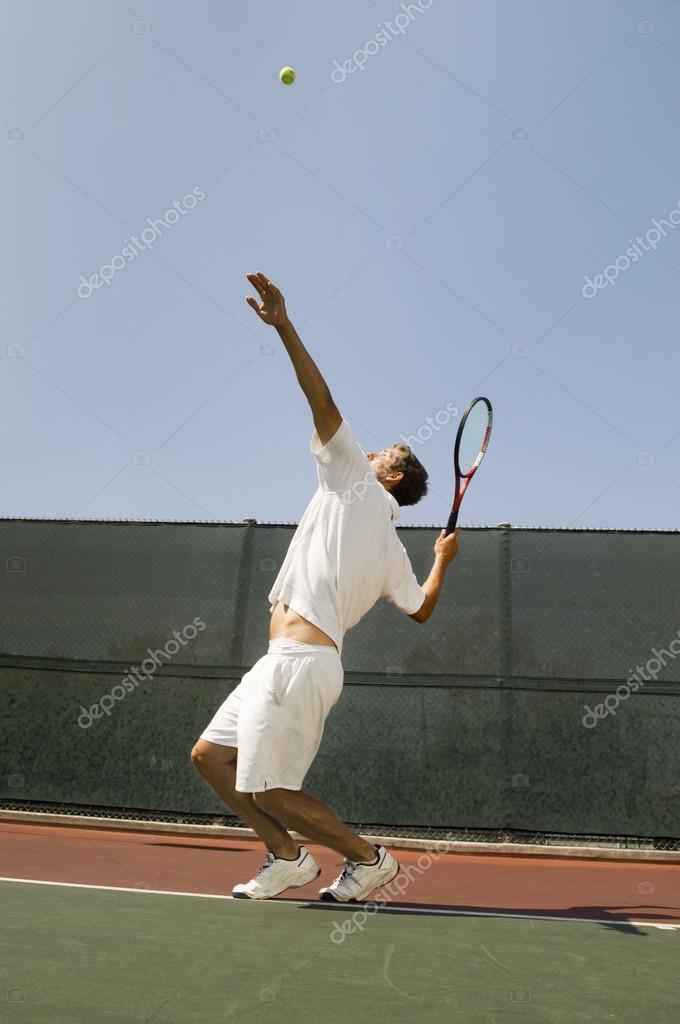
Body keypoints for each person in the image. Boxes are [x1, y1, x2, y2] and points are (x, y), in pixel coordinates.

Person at [191, 272, 459, 902]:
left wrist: (284, 326)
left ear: (388, 477)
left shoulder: (357, 486)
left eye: (379, 454)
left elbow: (324, 405)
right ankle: (287, 856)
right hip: (282, 663)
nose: (365, 454)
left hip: (301, 664)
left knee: (270, 789)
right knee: (208, 757)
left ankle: (371, 860)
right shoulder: (393, 547)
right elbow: (420, 608)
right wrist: (442, 559)